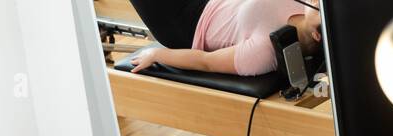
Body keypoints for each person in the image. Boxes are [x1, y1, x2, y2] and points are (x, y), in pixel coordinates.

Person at [127, 0, 322, 78]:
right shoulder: (306, 4)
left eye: (321, 9)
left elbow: (206, 62)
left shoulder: (263, 52)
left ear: (317, 34)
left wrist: (157, 54)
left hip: (183, 23)